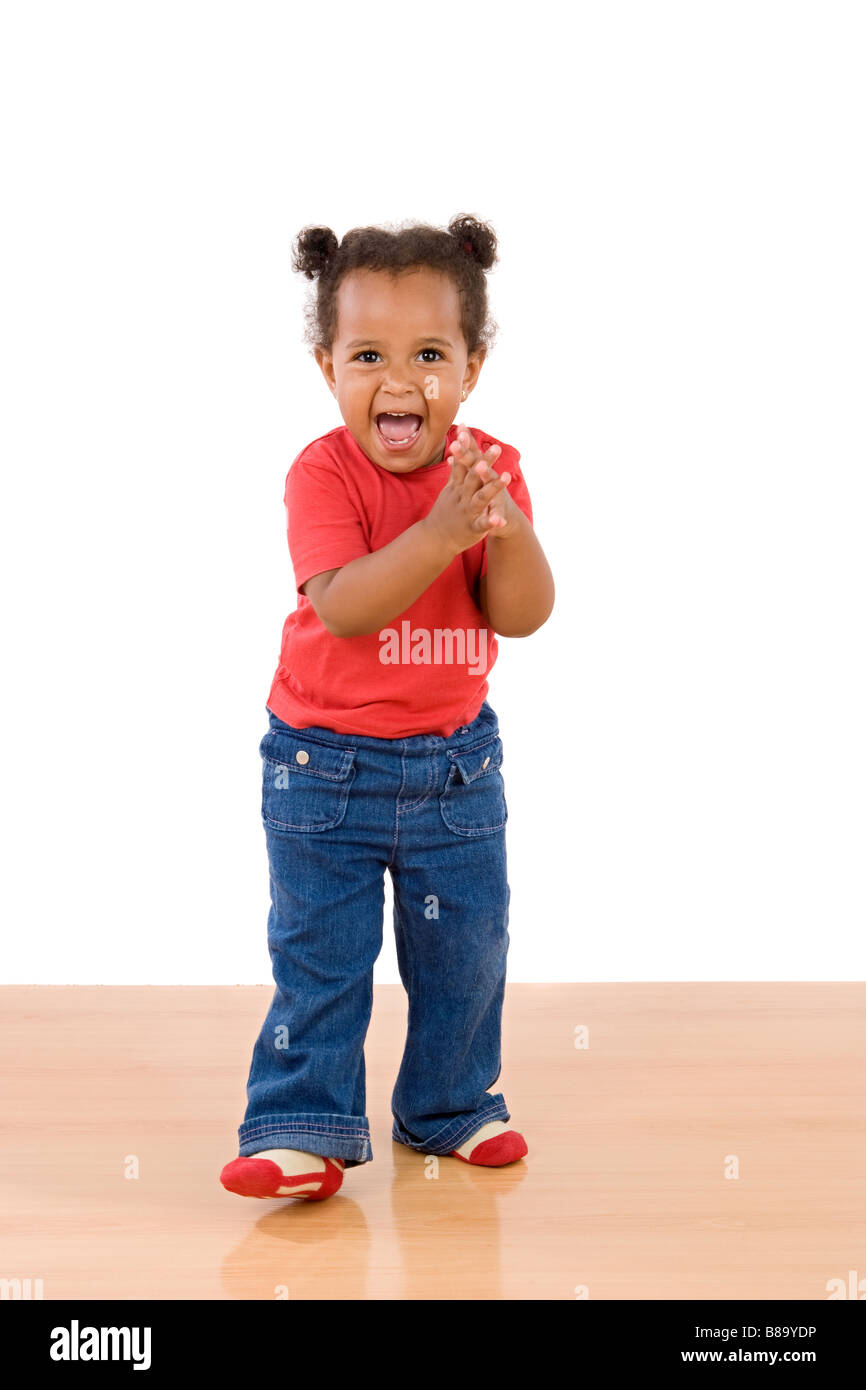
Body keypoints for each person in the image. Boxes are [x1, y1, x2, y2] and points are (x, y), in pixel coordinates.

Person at [220, 214, 555, 1202]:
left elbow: (521, 614)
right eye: (368, 354)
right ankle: (298, 1124)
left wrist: (503, 528)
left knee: (465, 952)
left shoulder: (485, 466)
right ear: (327, 365)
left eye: (428, 355)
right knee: (321, 958)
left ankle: (450, 1104)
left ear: (471, 366)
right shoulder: (322, 472)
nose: (398, 380)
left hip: (454, 770)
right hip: (322, 768)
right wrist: (438, 534)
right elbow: (346, 604)